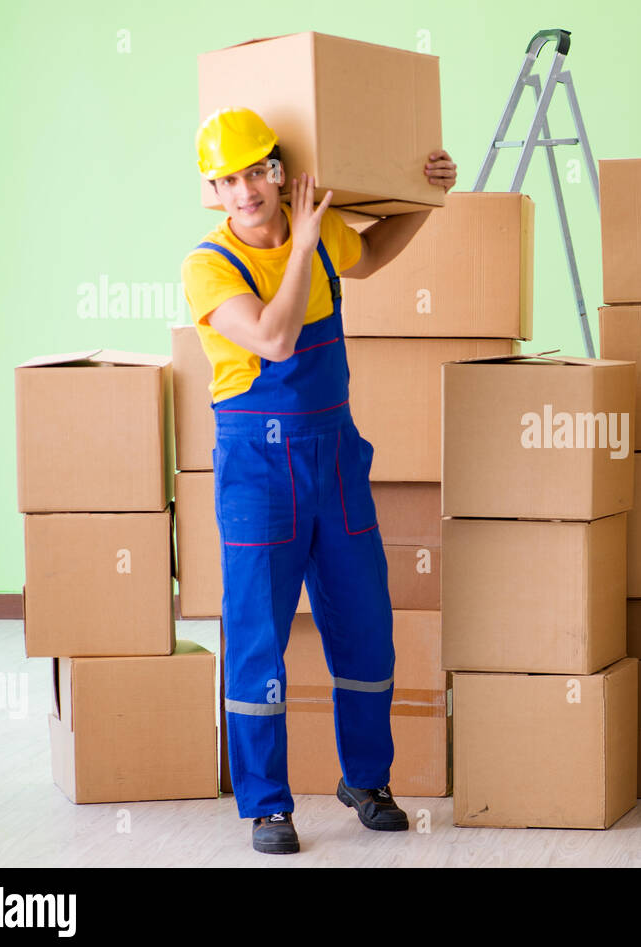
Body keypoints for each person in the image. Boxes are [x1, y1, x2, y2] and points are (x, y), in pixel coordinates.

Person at [180, 106, 457, 852]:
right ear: (214, 190)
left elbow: (372, 253)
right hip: (258, 471)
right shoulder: (208, 266)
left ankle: (366, 780)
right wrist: (303, 244)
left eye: (254, 172)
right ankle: (268, 805)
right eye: (226, 180)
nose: (244, 192)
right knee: (257, 639)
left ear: (277, 169)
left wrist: (428, 194)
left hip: (334, 459)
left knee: (366, 625)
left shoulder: (318, 230)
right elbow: (273, 338)